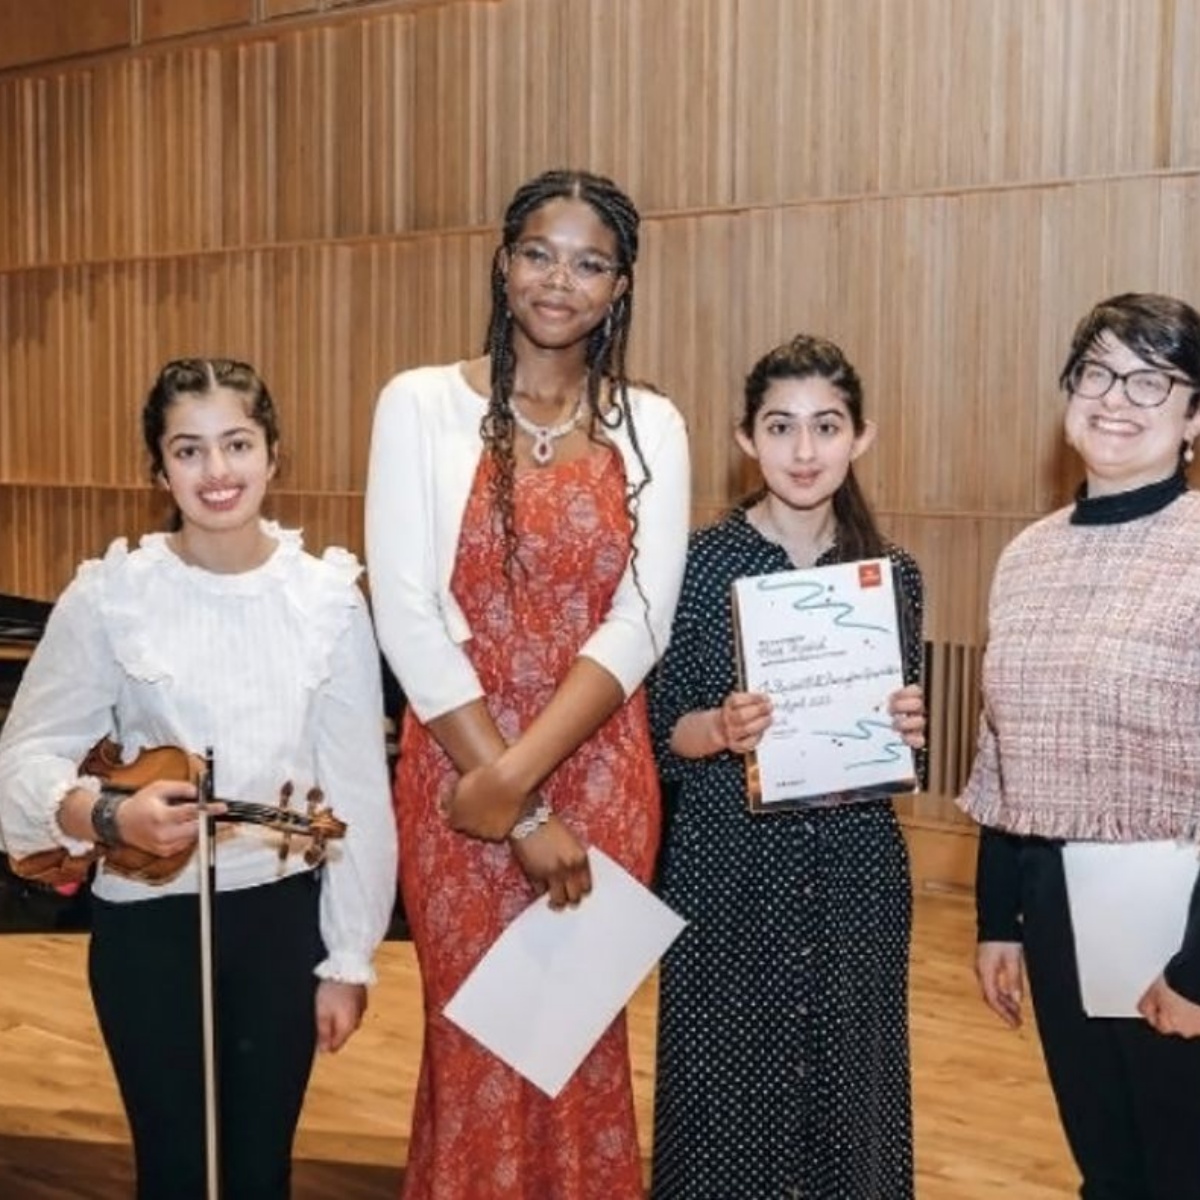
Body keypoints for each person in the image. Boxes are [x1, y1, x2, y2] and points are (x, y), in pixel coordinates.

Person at [0, 358, 398, 1200]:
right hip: (149, 927)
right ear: (158, 469)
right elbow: (20, 759)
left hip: (280, 922)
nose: (217, 473)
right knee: (175, 1170)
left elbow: (358, 790)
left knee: (257, 1171)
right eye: (190, 450)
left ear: (273, 454)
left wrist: (349, 958)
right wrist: (108, 815)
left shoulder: (327, 598)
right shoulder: (110, 596)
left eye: (237, 444)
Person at [365, 168, 690, 1199]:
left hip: (597, 777)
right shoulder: (418, 403)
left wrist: (526, 788)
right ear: (504, 266)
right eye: (540, 254)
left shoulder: (655, 425)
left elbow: (643, 619)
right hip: (456, 778)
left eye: (591, 262)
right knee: (472, 1048)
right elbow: (406, 608)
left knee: (573, 1053)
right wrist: (504, 798)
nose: (562, 281)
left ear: (621, 286)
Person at [647, 334, 926, 1200]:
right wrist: (721, 727)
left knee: (852, 1092)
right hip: (727, 863)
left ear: (861, 437)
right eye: (781, 427)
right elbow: (664, 733)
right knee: (722, 1086)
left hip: (854, 867)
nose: (804, 452)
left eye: (826, 426)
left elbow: (897, 745)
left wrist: (909, 729)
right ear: (746, 440)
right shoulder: (696, 565)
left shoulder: (892, 577)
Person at [960, 292, 1200, 1198]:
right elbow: (1003, 745)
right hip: (1060, 911)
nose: (1116, 397)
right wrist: (997, 921)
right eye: (1097, 372)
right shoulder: (1027, 553)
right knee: (1107, 1165)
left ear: (1194, 417)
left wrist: (1196, 969)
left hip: (1179, 916)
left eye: (1152, 379)